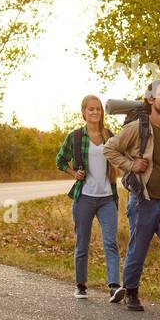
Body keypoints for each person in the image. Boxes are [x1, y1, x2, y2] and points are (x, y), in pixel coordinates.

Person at [102, 80, 160, 313]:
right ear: (150, 100)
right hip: (144, 200)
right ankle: (131, 292)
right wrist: (131, 165)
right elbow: (109, 149)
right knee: (138, 248)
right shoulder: (137, 128)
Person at [54, 95, 120, 300]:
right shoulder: (75, 137)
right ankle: (81, 285)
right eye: (90, 109)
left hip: (107, 198)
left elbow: (122, 155)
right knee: (82, 243)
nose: (95, 112)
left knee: (110, 242)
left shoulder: (110, 136)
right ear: (83, 113)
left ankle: (114, 286)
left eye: (98, 109)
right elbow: (60, 160)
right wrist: (74, 174)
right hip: (84, 198)